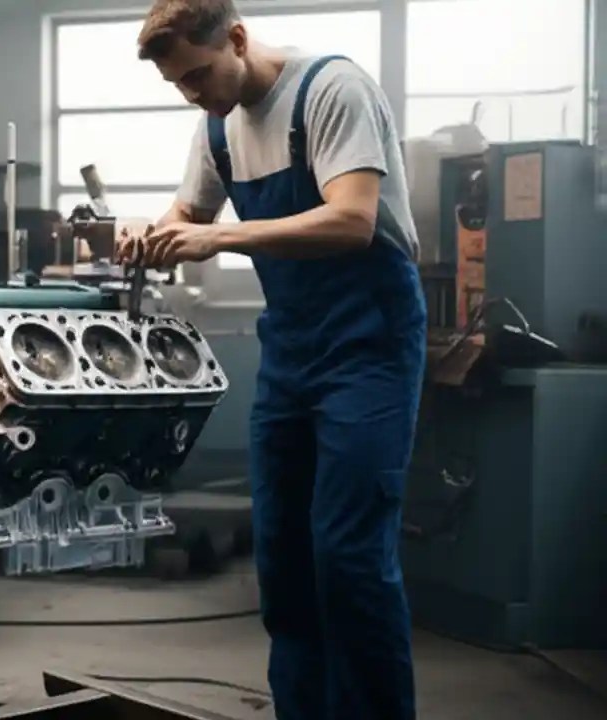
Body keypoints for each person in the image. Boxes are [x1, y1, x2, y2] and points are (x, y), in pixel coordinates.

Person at [122, 2, 426, 719]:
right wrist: (149, 234)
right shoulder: (217, 125)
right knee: (284, 561)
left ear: (236, 38)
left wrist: (222, 239)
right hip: (290, 349)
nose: (191, 94)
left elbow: (352, 220)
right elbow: (188, 215)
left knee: (349, 557)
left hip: (369, 345)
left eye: (198, 76)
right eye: (178, 85)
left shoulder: (332, 90)